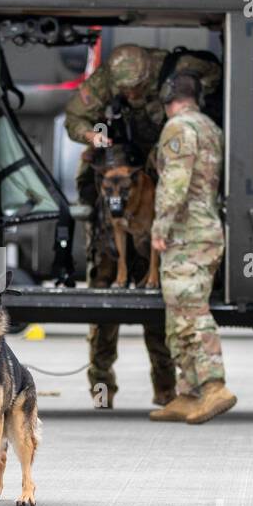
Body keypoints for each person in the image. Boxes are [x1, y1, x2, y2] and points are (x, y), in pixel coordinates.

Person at [63, 44, 176, 409]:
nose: (130, 96)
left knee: (156, 299)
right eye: (124, 91)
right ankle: (102, 388)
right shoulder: (103, 82)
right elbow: (73, 119)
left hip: (150, 193)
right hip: (109, 200)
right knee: (103, 294)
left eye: (137, 90)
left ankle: (166, 388)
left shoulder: (170, 71)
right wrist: (93, 138)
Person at [147, 72, 236, 424]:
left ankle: (214, 385)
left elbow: (175, 182)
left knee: (190, 310)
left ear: (169, 96)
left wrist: (160, 226)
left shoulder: (179, 128)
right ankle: (188, 392)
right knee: (177, 314)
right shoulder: (211, 128)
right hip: (204, 229)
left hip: (188, 234)